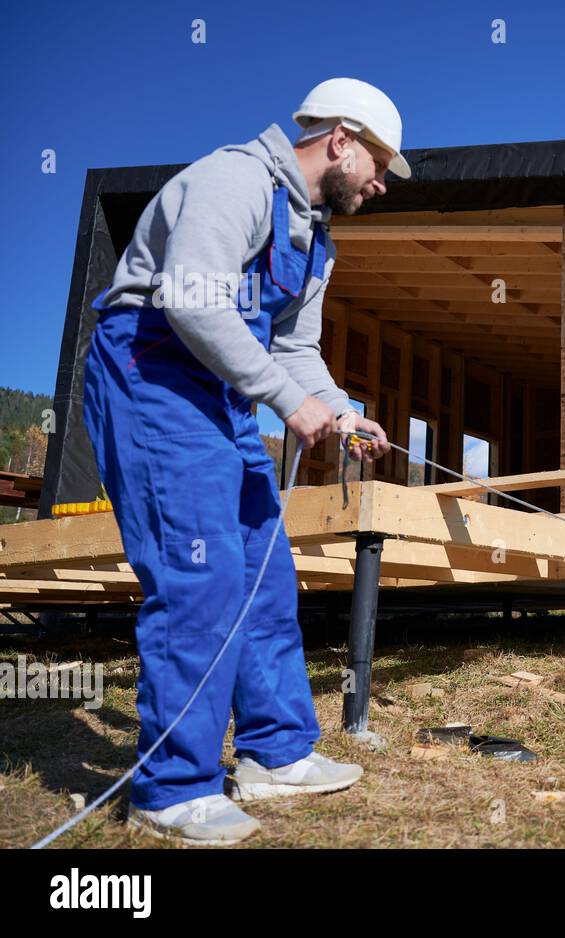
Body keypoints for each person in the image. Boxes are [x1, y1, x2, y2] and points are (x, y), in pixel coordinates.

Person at [81, 78, 406, 844]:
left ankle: (276, 752)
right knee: (203, 573)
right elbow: (192, 302)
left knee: (264, 570)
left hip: (221, 391)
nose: (381, 183)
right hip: (152, 375)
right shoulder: (235, 179)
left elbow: (294, 349)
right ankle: (173, 789)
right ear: (341, 140)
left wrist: (343, 410)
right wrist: (288, 405)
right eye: (380, 164)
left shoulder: (313, 240)